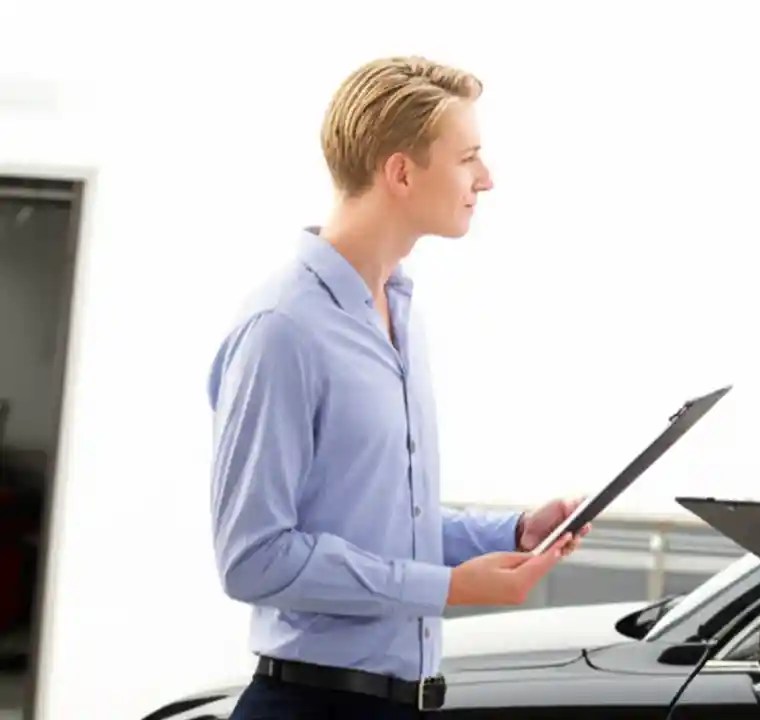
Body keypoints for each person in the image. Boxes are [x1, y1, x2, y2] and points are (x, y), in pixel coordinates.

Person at [207, 55, 590, 718]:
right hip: (313, 705)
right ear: (401, 172)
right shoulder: (283, 328)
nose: (487, 179)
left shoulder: (399, 312)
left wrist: (513, 533)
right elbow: (254, 559)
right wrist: (444, 588)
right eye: (468, 157)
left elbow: (379, 522)